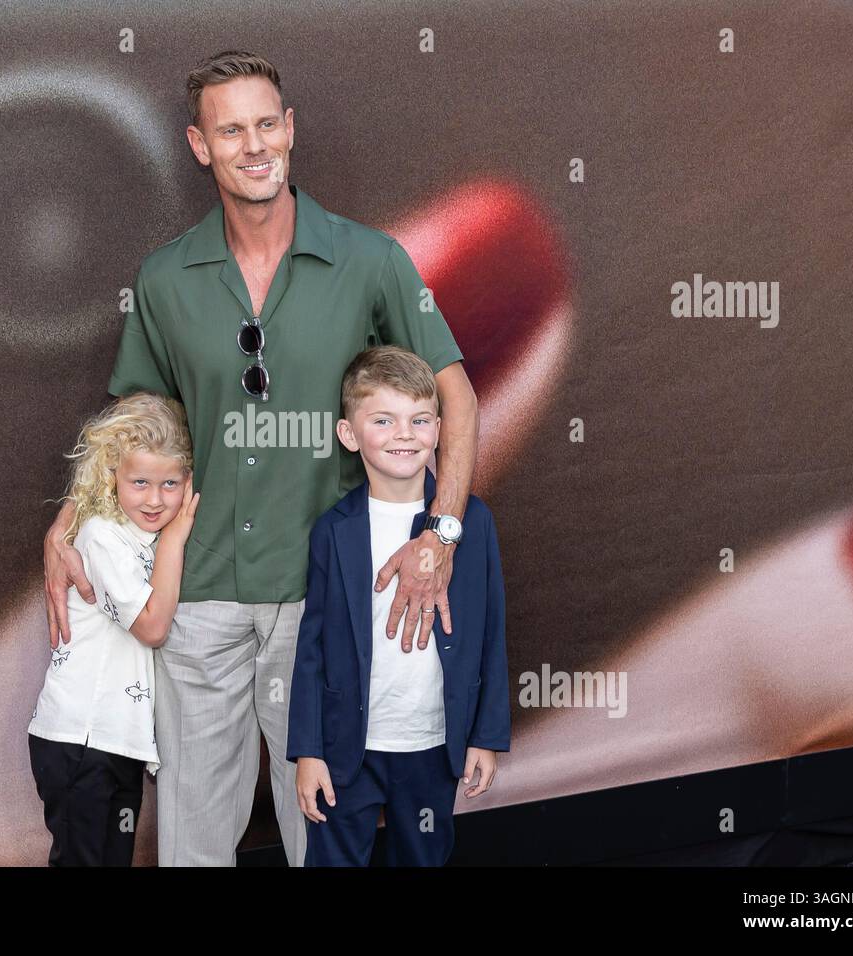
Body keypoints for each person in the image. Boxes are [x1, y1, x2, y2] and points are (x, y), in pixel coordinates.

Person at [43, 50, 480, 866]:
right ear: (200, 146)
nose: (254, 144)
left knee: (324, 834)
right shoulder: (165, 278)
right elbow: (136, 424)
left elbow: (459, 397)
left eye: (266, 123)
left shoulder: (371, 259)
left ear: (290, 131)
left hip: (324, 596)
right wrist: (70, 518)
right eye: (230, 128)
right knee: (192, 843)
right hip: (196, 593)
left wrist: (441, 535)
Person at [287, 346, 509, 866]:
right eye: (383, 420)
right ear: (349, 434)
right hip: (348, 749)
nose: (404, 434)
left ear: (439, 427)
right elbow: (312, 647)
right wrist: (308, 750)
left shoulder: (470, 525)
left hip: (433, 745)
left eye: (420, 419)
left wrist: (487, 735)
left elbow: (491, 633)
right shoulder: (332, 530)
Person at [28, 392, 199, 865]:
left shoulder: (147, 531)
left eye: (170, 483)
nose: (155, 498)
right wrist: (176, 539)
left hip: (118, 741)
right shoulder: (102, 534)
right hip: (80, 739)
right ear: (112, 477)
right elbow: (152, 626)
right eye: (140, 481)